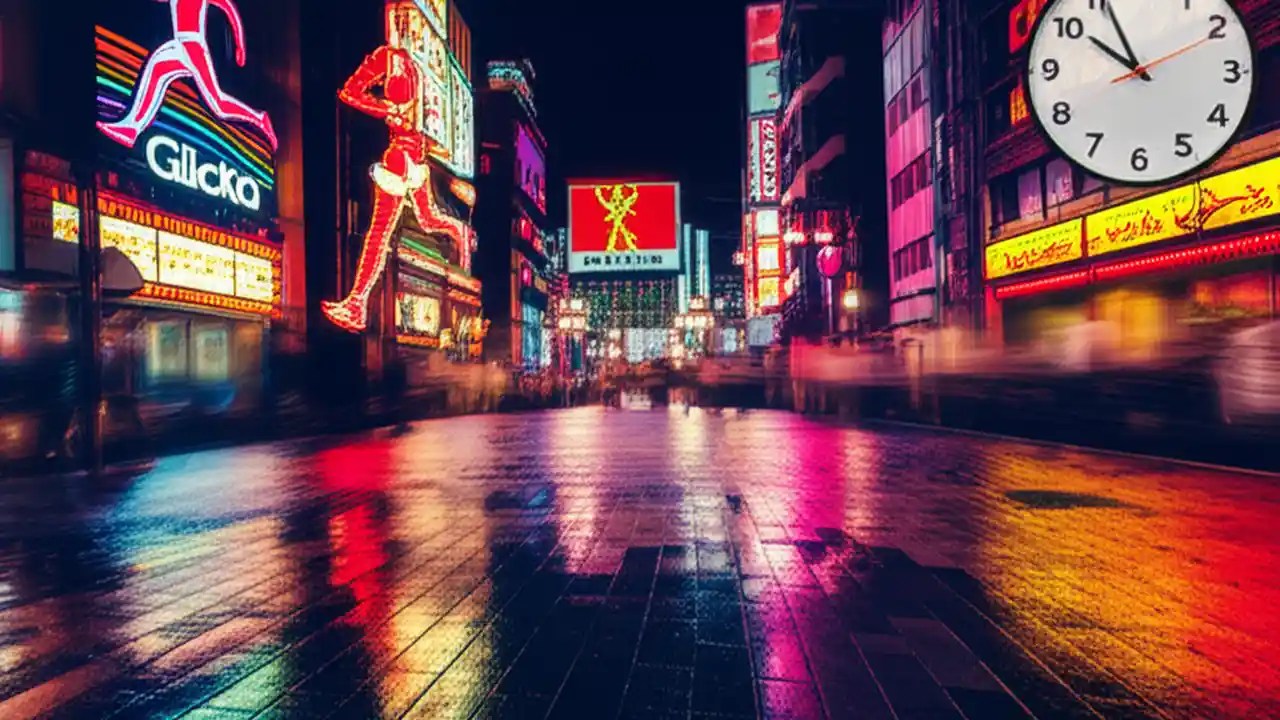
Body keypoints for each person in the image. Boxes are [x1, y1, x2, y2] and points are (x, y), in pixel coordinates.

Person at [321, 3, 475, 332]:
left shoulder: (415, 64)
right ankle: (459, 231)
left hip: (407, 157)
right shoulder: (392, 59)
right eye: (402, 19)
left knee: (380, 232)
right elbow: (349, 92)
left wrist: (386, 110)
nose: (406, 26)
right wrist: (385, 109)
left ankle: (357, 306)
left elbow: (350, 94)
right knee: (425, 220)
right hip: (407, 157)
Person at [97, 0, 277, 150]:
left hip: (193, 48)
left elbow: (230, 10)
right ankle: (131, 128)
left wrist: (240, 48)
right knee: (155, 70)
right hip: (178, 45)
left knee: (218, 104)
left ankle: (260, 119)